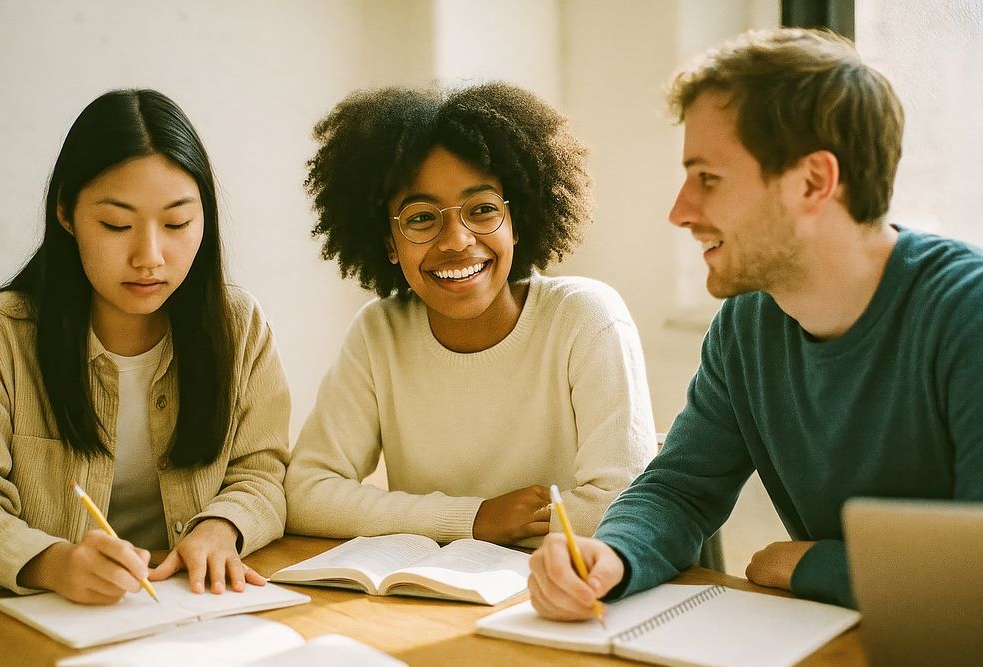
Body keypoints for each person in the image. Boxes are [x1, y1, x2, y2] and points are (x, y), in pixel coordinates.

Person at [528, 27, 983, 615]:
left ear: (813, 183)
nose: (680, 211)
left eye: (708, 179)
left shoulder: (966, 313)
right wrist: (610, 556)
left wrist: (811, 563)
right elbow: (680, 490)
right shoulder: (747, 324)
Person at [285, 82, 655, 547]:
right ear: (388, 243)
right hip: (429, 597)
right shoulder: (380, 332)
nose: (457, 240)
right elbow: (306, 494)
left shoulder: (584, 318)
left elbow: (623, 506)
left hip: (562, 596)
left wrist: (463, 524)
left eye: (482, 209)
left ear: (517, 222)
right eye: (421, 217)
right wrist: (475, 519)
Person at [0, 89, 291, 604]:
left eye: (176, 224)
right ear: (66, 214)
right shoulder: (0, 335)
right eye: (116, 225)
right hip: (51, 618)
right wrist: (51, 563)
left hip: (195, 610)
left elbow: (263, 469)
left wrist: (221, 526)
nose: (149, 256)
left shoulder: (240, 327)